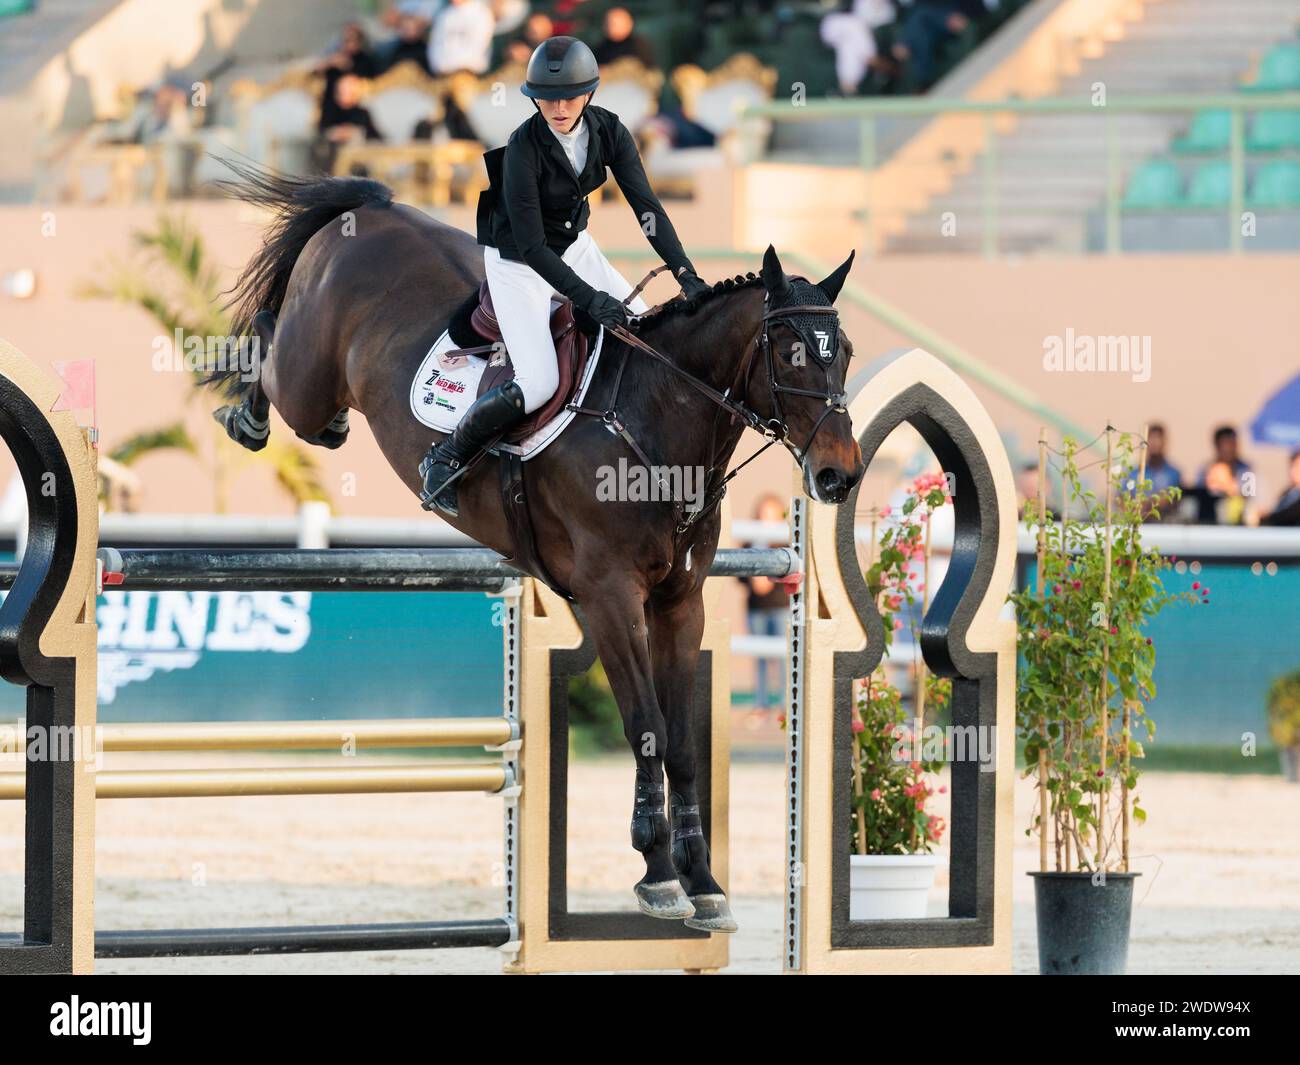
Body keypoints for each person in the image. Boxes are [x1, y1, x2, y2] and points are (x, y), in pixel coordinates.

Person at [418, 37, 710, 515]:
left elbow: (647, 209)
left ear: (589, 93)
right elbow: (533, 248)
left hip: (575, 248)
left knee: (651, 345)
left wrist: (685, 274)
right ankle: (446, 456)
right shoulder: (523, 148)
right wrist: (591, 299)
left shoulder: (609, 131)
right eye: (547, 98)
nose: (558, 108)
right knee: (538, 381)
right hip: (518, 264)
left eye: (569, 97)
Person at [742, 495, 792, 715]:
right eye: (763, 514)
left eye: (771, 514)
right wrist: (752, 580)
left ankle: (784, 702)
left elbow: (791, 573)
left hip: (780, 607)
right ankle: (761, 703)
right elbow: (737, 573)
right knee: (759, 658)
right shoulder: (749, 541)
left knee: (783, 656)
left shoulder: (784, 541)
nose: (766, 518)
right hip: (756, 609)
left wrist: (769, 581)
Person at [313, 74, 383, 173]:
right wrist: (335, 133)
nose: (347, 94)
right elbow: (320, 134)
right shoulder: (329, 112)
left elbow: (375, 137)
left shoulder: (362, 113)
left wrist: (355, 134)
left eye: (351, 90)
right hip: (331, 161)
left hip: (358, 162)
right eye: (344, 91)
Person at [1193, 425, 1254, 523]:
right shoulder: (1206, 470)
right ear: (1217, 446)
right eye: (1225, 444)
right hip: (1211, 521)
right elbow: (1199, 497)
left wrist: (1231, 489)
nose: (1229, 448)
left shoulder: (1246, 470)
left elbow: (1250, 498)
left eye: (1232, 443)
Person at [428, 0, 495, 76]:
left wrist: (458, 67)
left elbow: (479, 47)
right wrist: (440, 68)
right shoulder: (444, 15)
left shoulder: (482, 13)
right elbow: (434, 47)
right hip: (443, 74)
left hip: (471, 75)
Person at [1263, 449, 1300, 526]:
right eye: (1292, 466)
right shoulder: (1287, 492)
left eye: (1297, 466)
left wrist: (1267, 516)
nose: (1293, 470)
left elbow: (1287, 516)